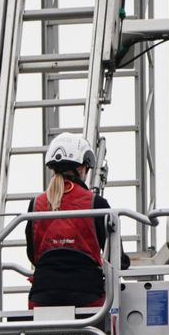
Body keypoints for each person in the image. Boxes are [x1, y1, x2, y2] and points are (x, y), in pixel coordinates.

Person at [25, 132, 114, 309]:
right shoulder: (96, 203)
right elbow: (116, 257)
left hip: (42, 297)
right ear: (82, 168)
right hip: (88, 297)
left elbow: (33, 254)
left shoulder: (36, 204)